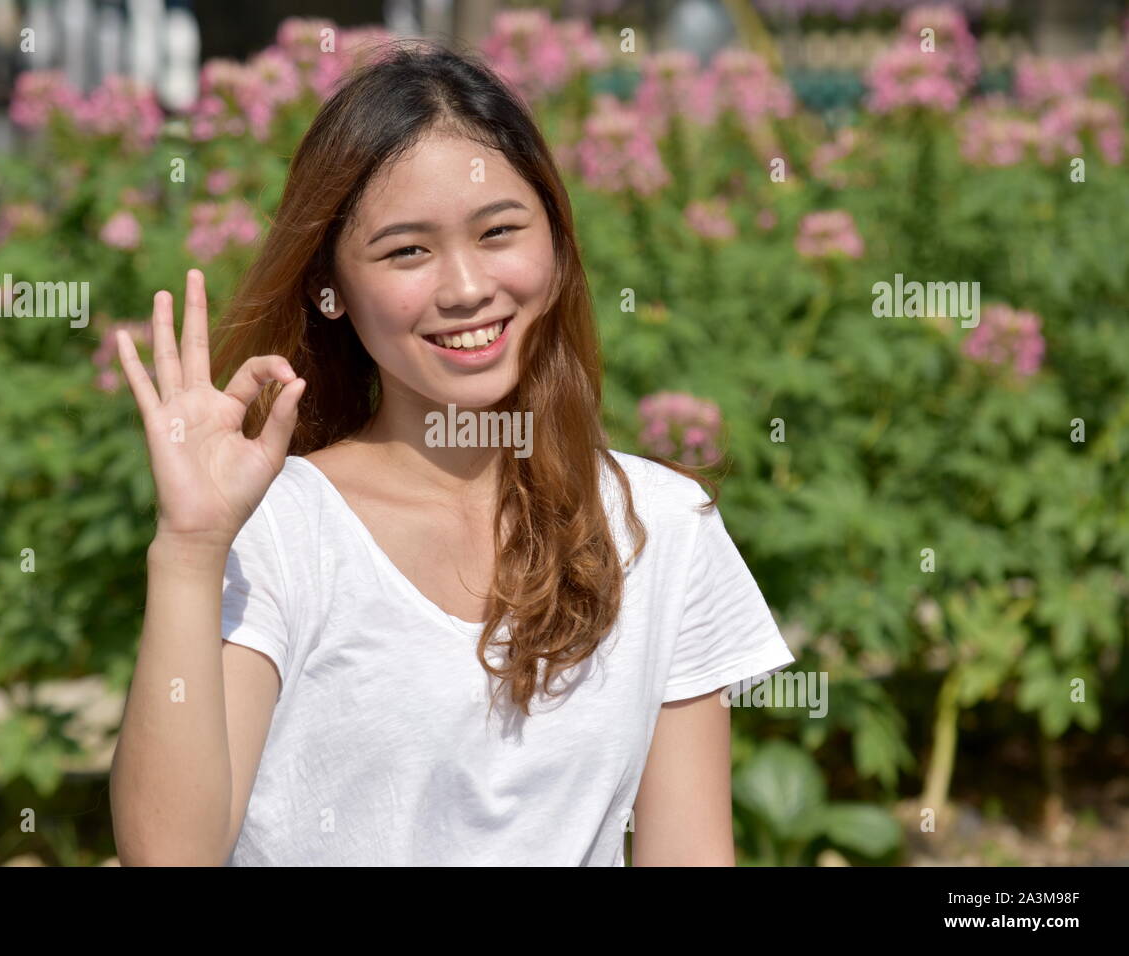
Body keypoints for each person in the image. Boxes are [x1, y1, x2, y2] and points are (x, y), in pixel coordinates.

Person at [109, 40, 794, 867]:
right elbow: (169, 856)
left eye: (499, 231)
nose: (466, 287)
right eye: (408, 251)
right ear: (331, 290)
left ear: (558, 242)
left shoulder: (664, 529)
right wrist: (189, 549)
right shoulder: (277, 528)